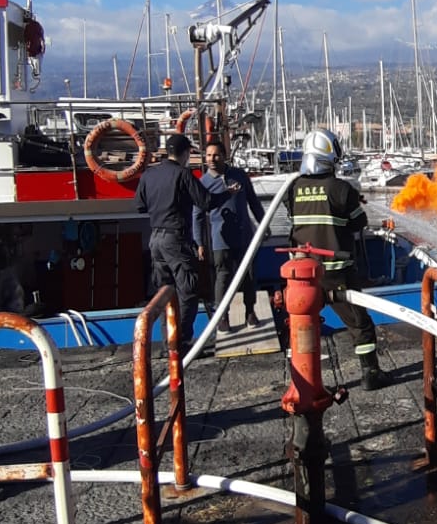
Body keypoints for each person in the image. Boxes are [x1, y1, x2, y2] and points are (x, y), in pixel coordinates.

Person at [280, 127, 385, 389]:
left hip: (303, 275)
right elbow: (357, 222)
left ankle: (302, 379)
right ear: (331, 156)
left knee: (303, 325)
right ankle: (370, 373)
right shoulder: (342, 189)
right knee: (359, 324)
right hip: (337, 272)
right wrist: (353, 203)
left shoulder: (292, 188)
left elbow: (296, 219)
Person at [134, 131, 238, 341]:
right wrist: (228, 192)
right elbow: (206, 202)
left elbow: (139, 206)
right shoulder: (183, 174)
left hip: (155, 239)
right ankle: (181, 340)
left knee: (164, 293)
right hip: (176, 238)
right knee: (188, 290)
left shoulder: (148, 175)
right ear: (184, 153)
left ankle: (167, 341)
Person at [192, 139, 266, 331]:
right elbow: (197, 216)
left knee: (249, 275)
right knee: (223, 277)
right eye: (208, 155)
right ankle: (222, 316)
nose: (212, 159)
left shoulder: (239, 175)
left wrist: (263, 224)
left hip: (244, 236)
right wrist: (199, 243)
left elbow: (253, 202)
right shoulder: (203, 183)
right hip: (220, 240)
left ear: (224, 156)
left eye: (216, 155)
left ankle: (250, 312)